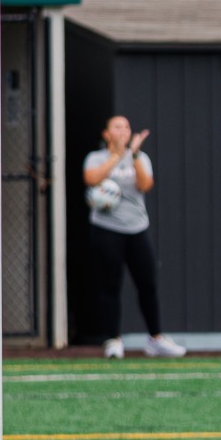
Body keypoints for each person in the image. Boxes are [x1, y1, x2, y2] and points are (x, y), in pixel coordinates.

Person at [82, 115, 185, 360]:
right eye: (117, 127)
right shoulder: (95, 158)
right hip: (106, 229)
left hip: (137, 228)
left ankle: (156, 339)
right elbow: (92, 179)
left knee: (147, 284)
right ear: (107, 133)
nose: (123, 130)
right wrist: (116, 156)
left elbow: (145, 184)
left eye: (126, 127)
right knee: (110, 286)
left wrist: (135, 155)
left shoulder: (140, 157)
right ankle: (113, 341)